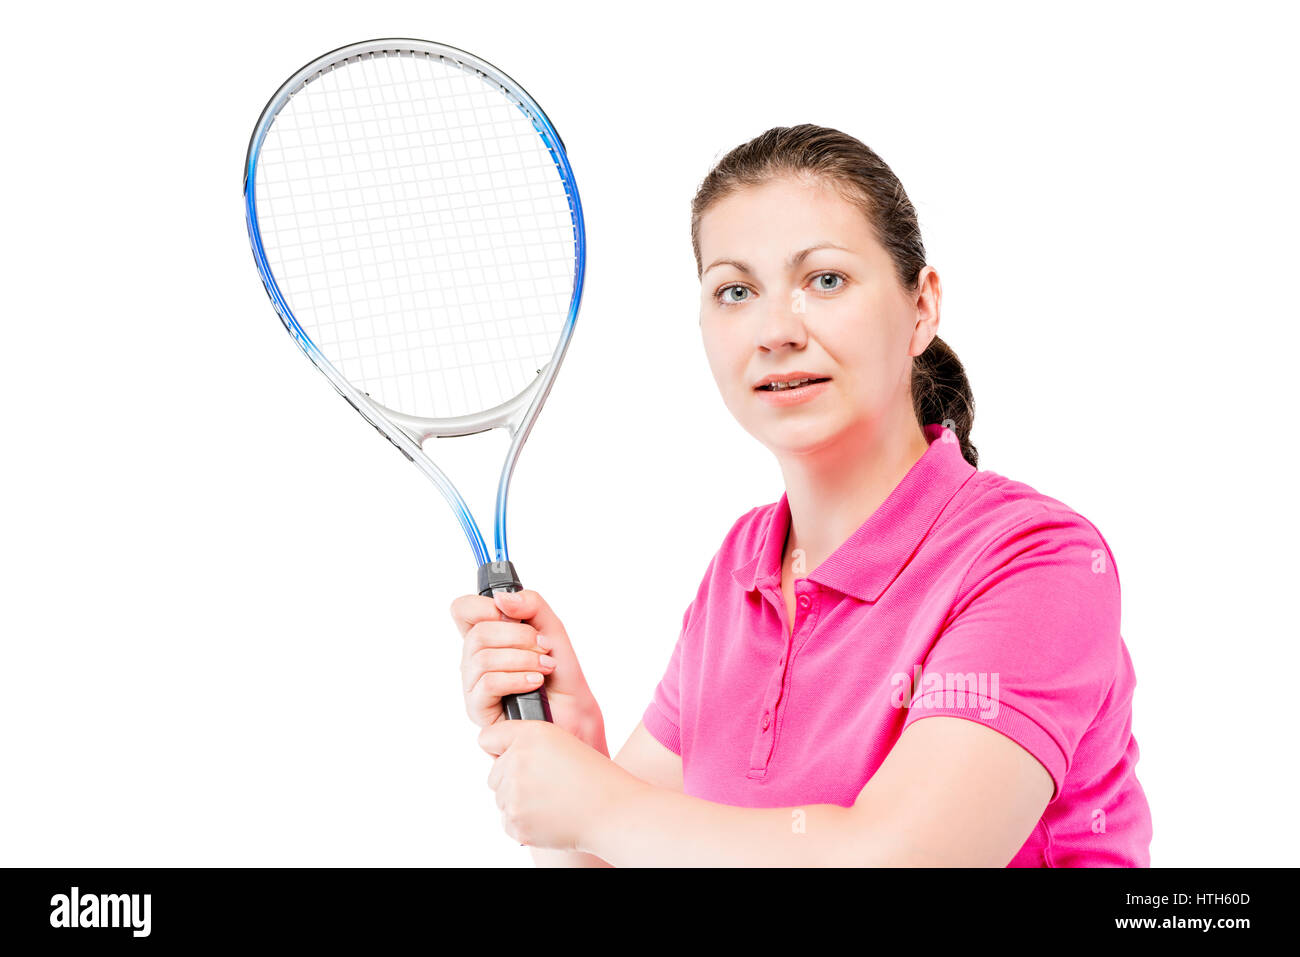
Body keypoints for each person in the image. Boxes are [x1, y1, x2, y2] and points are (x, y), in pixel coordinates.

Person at [450, 124, 1152, 867]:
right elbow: (616, 853)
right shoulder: (742, 566)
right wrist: (576, 751)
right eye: (735, 291)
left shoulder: (1039, 561)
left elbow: (900, 858)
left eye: (825, 279)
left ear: (922, 308)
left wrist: (600, 804)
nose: (775, 330)